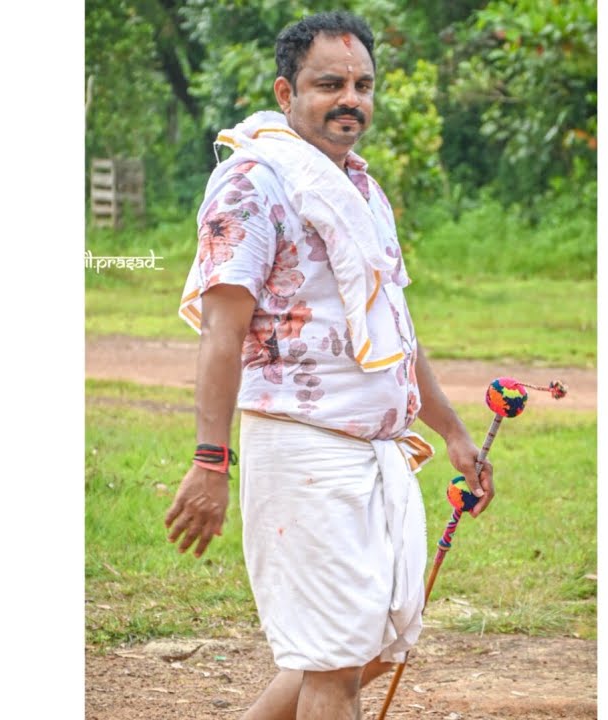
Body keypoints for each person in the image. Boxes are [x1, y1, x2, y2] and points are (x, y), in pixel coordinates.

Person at [165, 12, 494, 719]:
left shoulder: (360, 191)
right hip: (303, 450)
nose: (351, 99)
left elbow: (395, 328)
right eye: (329, 84)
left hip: (375, 450)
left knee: (366, 648)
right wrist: (210, 460)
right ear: (286, 92)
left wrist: (454, 432)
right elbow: (221, 332)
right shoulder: (253, 186)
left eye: (362, 85)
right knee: (335, 667)